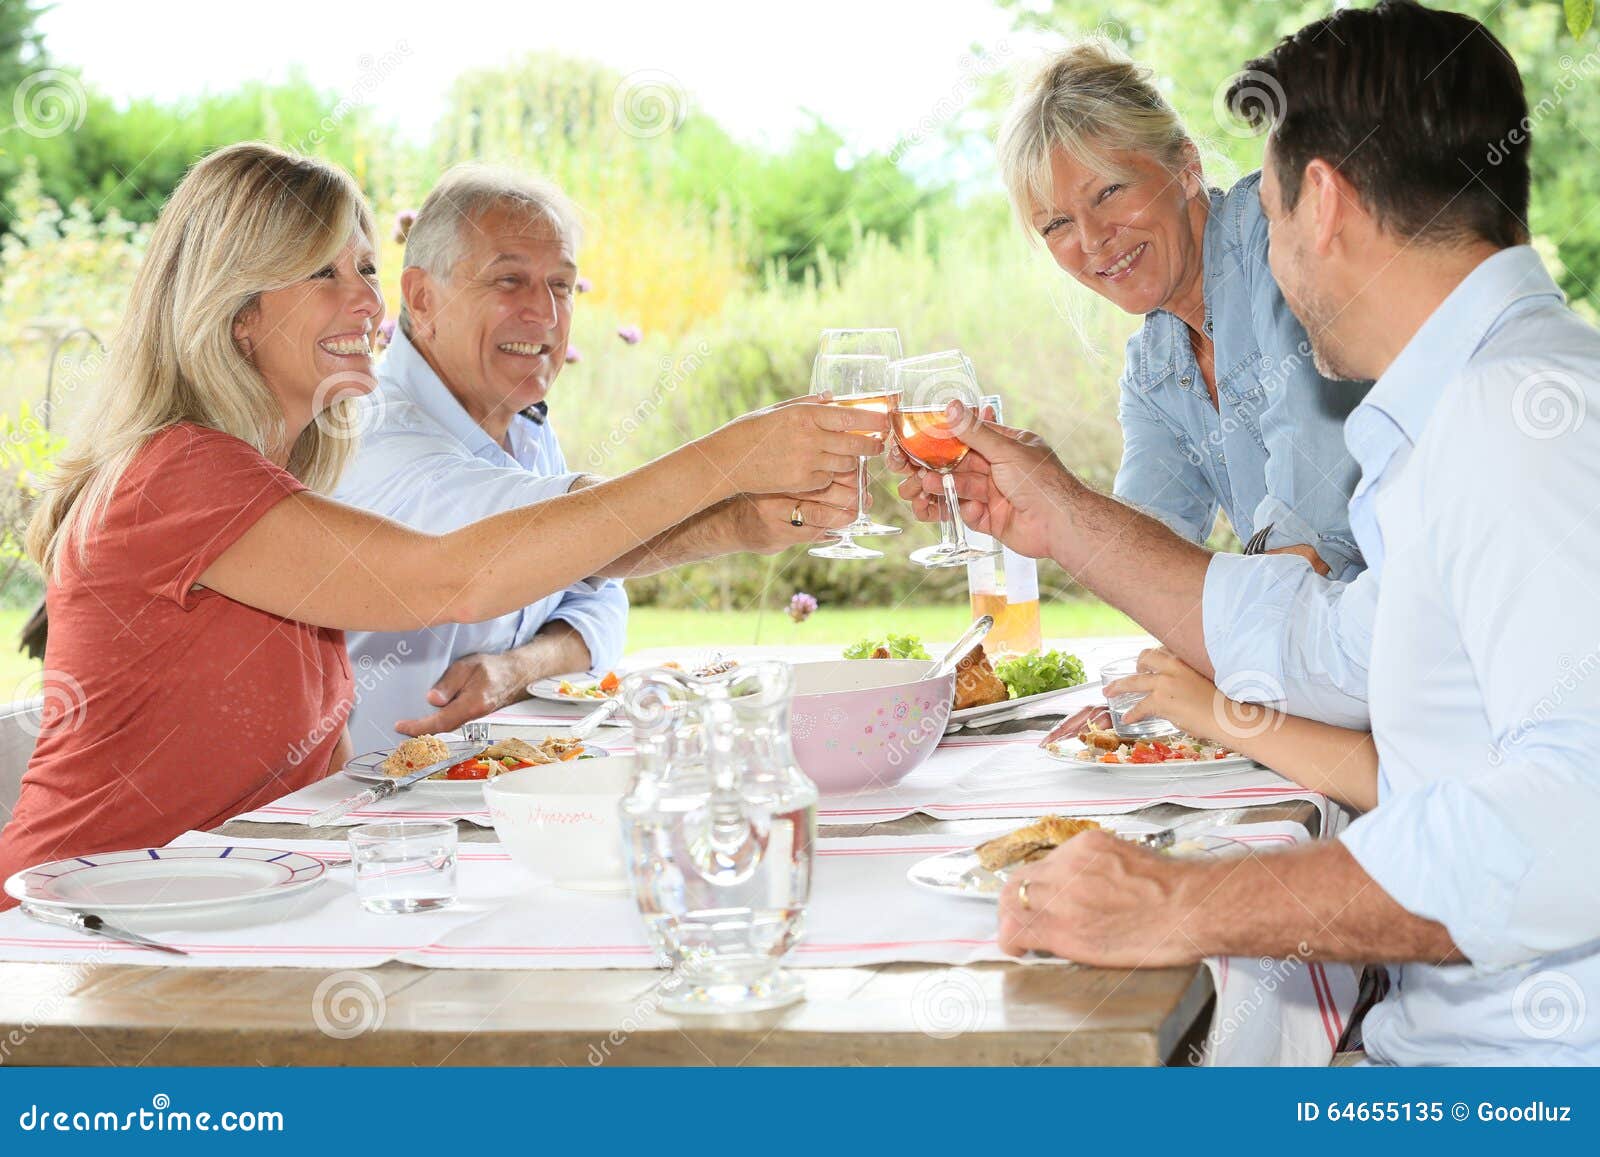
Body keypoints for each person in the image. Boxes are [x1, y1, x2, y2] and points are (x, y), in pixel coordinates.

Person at [897, 0, 1600, 1063]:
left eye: (1261, 214)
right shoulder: (1475, 406)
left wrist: (1184, 903)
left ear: (1317, 203)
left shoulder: (1518, 418)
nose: (1261, 259)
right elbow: (1322, 648)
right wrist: (1062, 515)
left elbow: (1579, 820)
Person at [0, 143, 882, 897]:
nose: (367, 306)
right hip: (88, 937)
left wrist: (740, 518)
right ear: (236, 312)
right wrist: (729, 461)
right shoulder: (182, 474)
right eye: (324, 273)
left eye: (365, 270)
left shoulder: (270, 475)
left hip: (225, 897)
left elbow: (546, 565)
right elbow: (444, 579)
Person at [335, 166, 850, 748]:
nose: (547, 316)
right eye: (509, 281)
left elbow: (597, 591)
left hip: (492, 802)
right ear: (423, 298)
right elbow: (551, 533)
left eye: (560, 286)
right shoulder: (372, 432)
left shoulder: (522, 427)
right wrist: (737, 501)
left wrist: (519, 668)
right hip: (381, 820)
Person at [997, 41, 1368, 579]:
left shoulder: (1276, 240)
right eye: (1056, 224)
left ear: (1186, 167)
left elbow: (1310, 545)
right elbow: (1145, 568)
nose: (1094, 240)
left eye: (1109, 192)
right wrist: (1045, 505)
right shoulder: (1154, 367)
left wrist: (1214, 648)